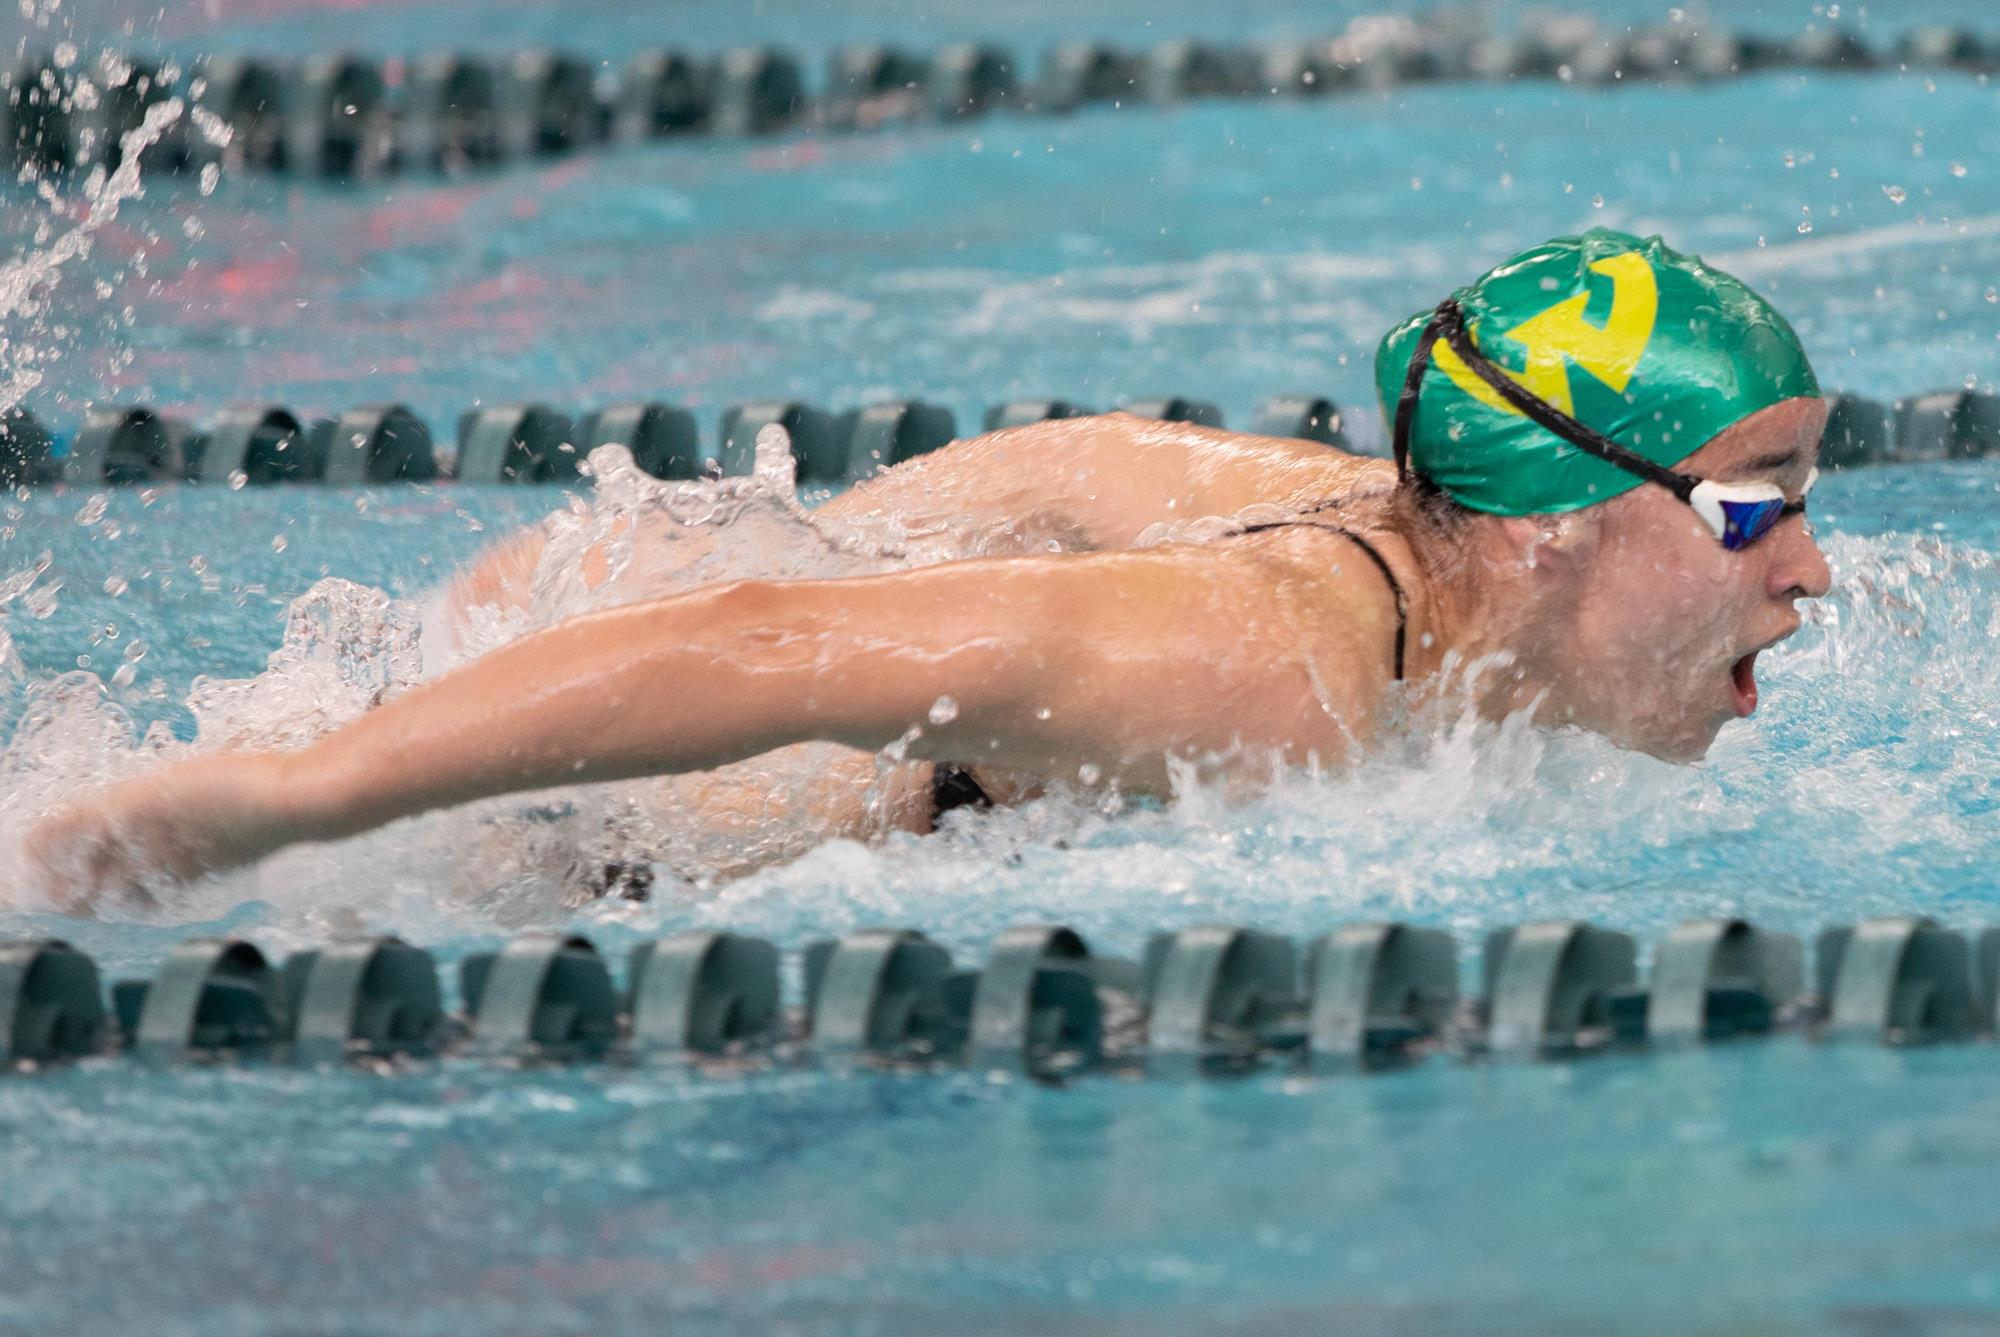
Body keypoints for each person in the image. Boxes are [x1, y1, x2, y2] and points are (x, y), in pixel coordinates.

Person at [21, 228, 1832, 908]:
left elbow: (1017, 485)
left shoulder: (1394, 538)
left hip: (605, 602)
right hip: (575, 802)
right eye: (1757, 505)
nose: (1811, 571)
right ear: (1549, 518)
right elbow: (769, 633)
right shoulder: (1273, 673)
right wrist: (280, 800)